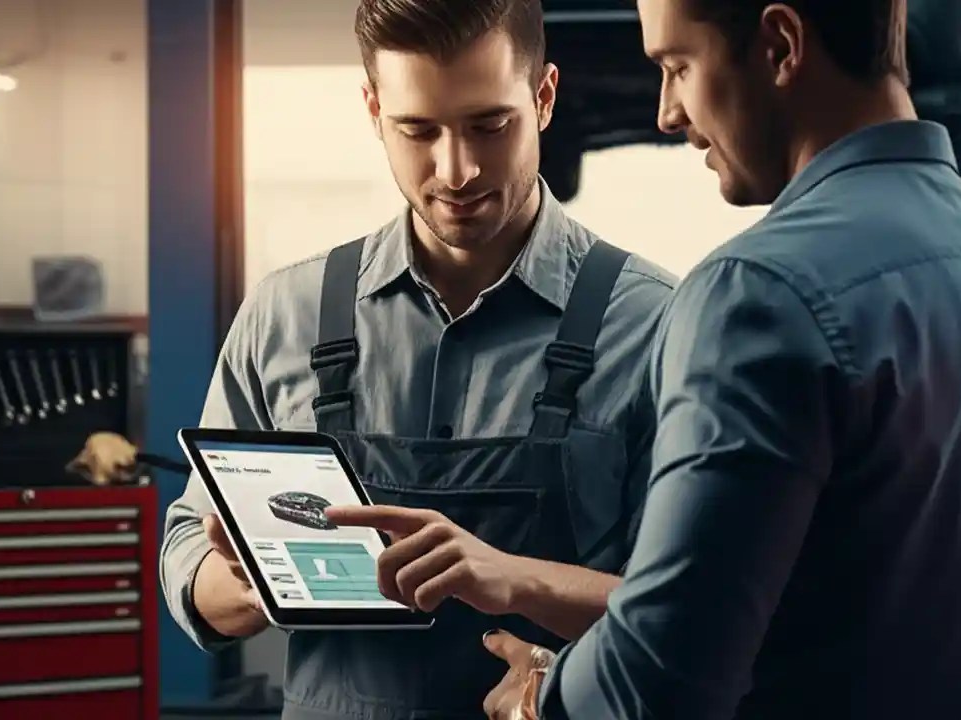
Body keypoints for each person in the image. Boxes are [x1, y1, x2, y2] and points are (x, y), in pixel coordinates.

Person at [469, 0, 961, 718]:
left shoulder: (757, 296)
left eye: (679, 67)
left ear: (779, 45)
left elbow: (659, 681)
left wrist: (537, 697)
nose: (667, 113)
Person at [157, 0, 677, 717]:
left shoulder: (656, 323)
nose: (456, 170)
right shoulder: (285, 313)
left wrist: (518, 579)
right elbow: (188, 545)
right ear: (374, 110)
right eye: (417, 129)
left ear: (544, 99)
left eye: (489, 126)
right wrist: (241, 583)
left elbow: (693, 606)